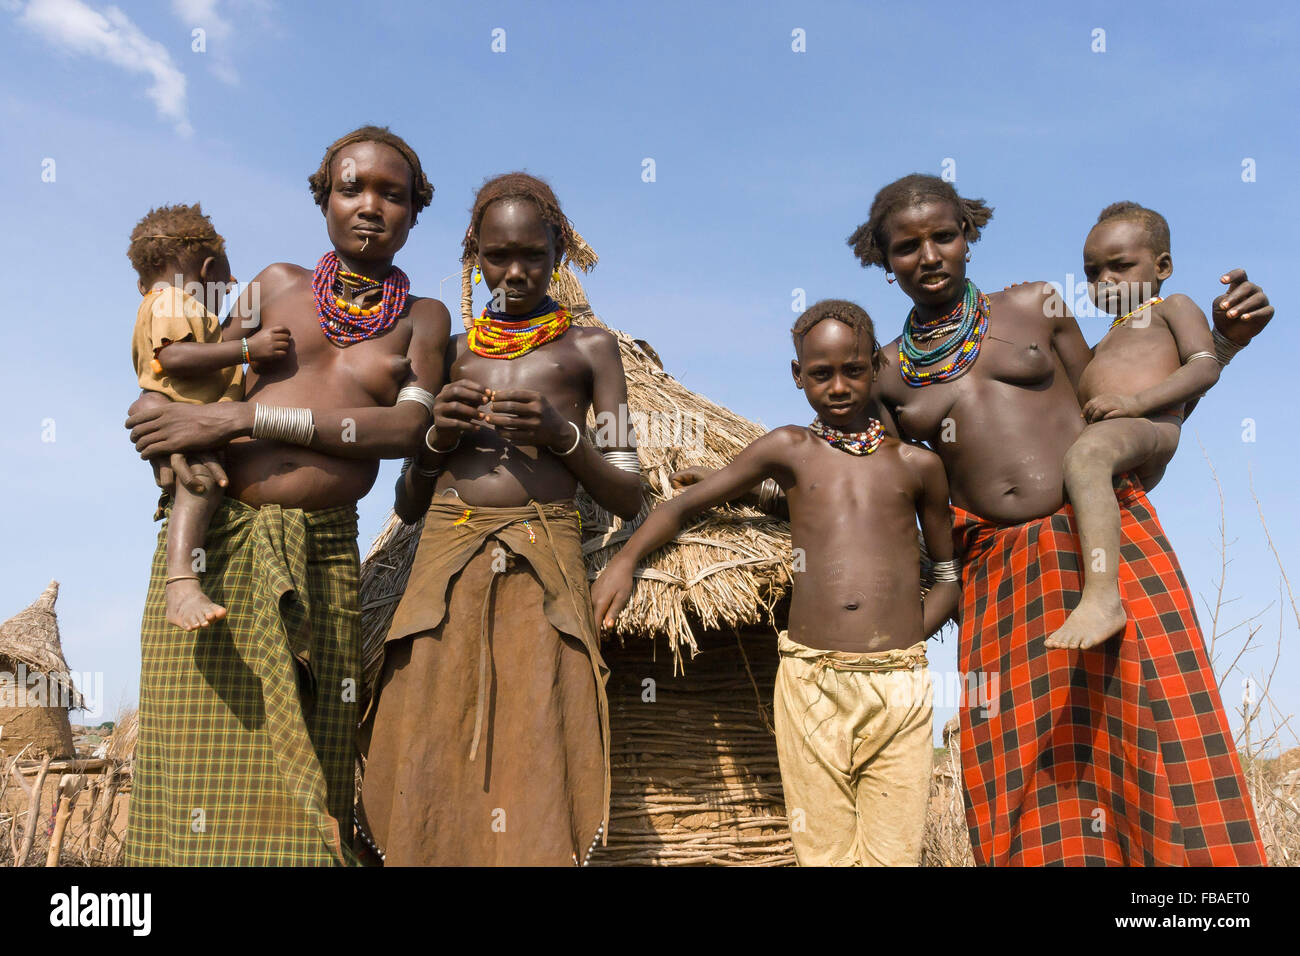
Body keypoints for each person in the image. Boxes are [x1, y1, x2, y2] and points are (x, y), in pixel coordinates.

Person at [845, 172, 1270, 865]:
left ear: (968, 238)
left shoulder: (1037, 305)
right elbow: (872, 480)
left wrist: (1223, 345)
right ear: (882, 263)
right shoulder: (886, 373)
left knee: (1154, 730)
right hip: (997, 574)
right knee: (1020, 763)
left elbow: (1118, 401)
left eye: (943, 236)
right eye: (905, 247)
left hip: (1104, 539)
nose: (928, 256)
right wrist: (753, 489)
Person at [123, 126, 449, 865]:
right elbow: (198, 383)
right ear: (324, 201)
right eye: (352, 189)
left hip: (324, 556)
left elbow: (408, 426)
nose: (371, 207)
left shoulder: (424, 320)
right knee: (191, 783)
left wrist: (252, 415)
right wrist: (156, 415)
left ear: (413, 211)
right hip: (213, 549)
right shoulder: (273, 284)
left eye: (391, 195)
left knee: (310, 791)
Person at [592, 300, 959, 866]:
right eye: (820, 374)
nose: (838, 386)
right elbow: (686, 504)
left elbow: (946, 573)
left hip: (898, 683)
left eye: (854, 370)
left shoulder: (917, 467)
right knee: (824, 853)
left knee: (894, 856)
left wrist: (910, 636)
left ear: (876, 370)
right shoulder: (789, 449)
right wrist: (625, 561)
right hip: (809, 678)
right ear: (797, 377)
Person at [356, 173, 643, 866]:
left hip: (543, 560)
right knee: (431, 728)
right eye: (497, 256)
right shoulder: (451, 352)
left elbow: (630, 493)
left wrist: (562, 435)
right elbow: (407, 504)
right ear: (472, 255)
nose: (514, 272)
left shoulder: (592, 350)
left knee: (539, 733)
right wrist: (435, 441)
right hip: (446, 566)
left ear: (560, 253)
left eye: (533, 256)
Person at [1045, 201, 1221, 650]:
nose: (1105, 281)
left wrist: (1134, 402)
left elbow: (1204, 367)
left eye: (1120, 266)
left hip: (1153, 427)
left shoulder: (1172, 308)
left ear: (1162, 265)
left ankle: (1103, 599)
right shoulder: (1105, 339)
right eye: (1092, 272)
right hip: (1118, 436)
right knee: (1074, 463)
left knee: (1087, 455)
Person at [127, 202, 291, 631]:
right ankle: (181, 582)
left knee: (195, 487)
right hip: (181, 416)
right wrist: (246, 350)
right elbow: (175, 357)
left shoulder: (172, 304)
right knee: (199, 488)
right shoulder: (172, 302)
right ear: (207, 268)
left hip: (178, 414)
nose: (233, 285)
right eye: (227, 278)